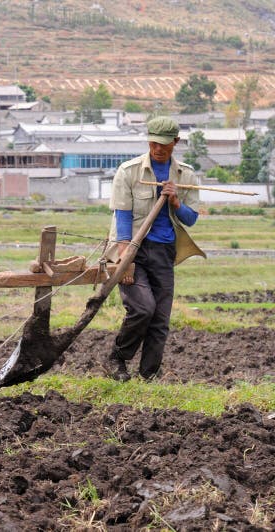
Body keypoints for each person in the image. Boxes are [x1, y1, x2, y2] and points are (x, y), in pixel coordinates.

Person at [105, 116, 205, 381]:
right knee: (142, 309)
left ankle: (149, 374)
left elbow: (191, 218)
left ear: (175, 142)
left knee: (160, 318)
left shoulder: (185, 174)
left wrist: (175, 201)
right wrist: (125, 254)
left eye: (164, 144)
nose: (158, 149)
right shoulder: (129, 171)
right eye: (153, 143)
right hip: (132, 250)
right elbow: (123, 215)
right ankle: (117, 359)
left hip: (164, 251)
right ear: (148, 140)